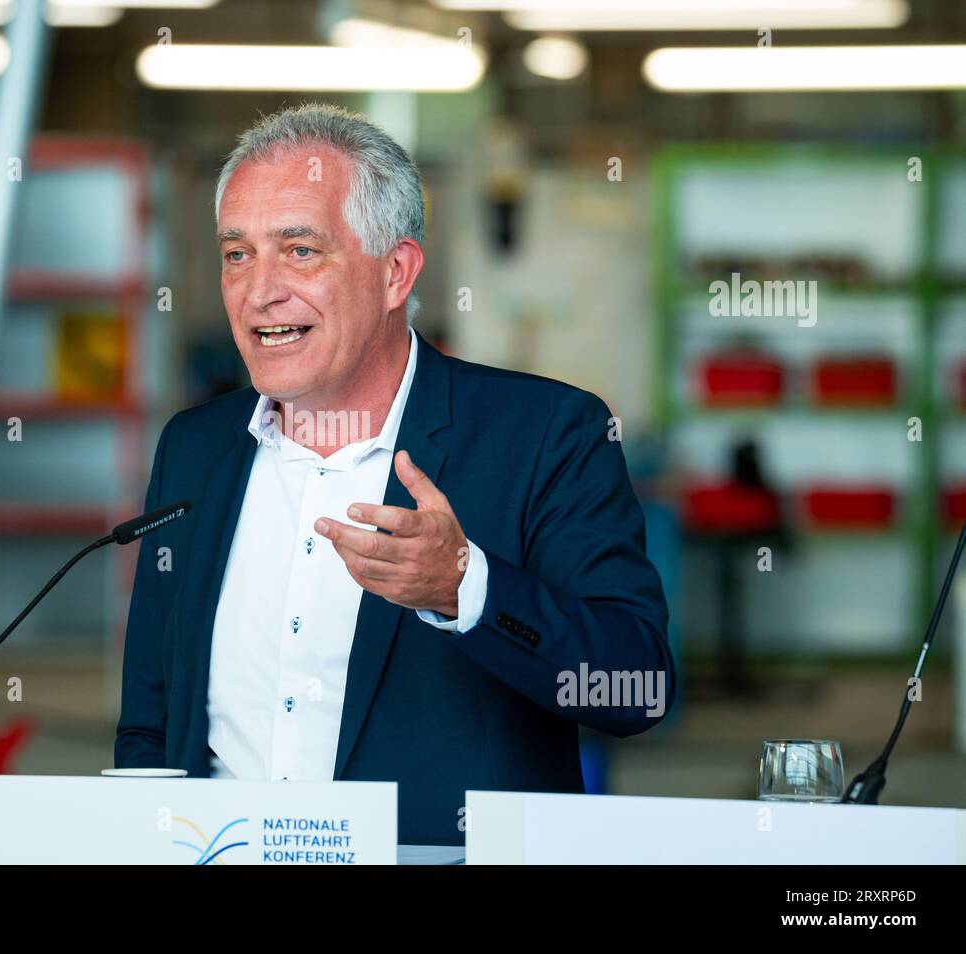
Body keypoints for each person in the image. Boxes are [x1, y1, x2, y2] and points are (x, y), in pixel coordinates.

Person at [116, 103, 673, 847]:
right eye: (237, 254)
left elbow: (637, 688)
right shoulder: (195, 449)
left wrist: (465, 587)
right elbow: (151, 723)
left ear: (395, 273)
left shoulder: (543, 436)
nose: (259, 291)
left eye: (300, 251)